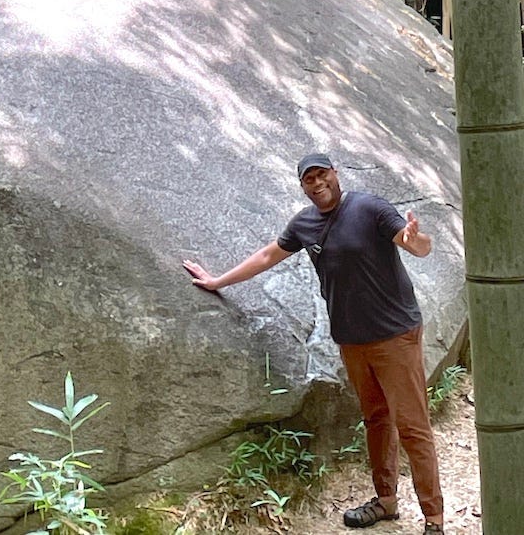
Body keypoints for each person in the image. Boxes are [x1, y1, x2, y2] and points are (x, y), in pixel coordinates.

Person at [183, 152, 443, 535]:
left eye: (323, 175)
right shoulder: (305, 224)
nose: (318, 184)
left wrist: (414, 239)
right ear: (302, 186)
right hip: (352, 341)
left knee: (412, 426)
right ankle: (386, 501)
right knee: (376, 419)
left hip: (395, 336)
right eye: (309, 180)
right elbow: (268, 255)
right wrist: (217, 281)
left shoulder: (369, 207)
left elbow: (417, 246)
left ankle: (434, 519)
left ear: (336, 174)